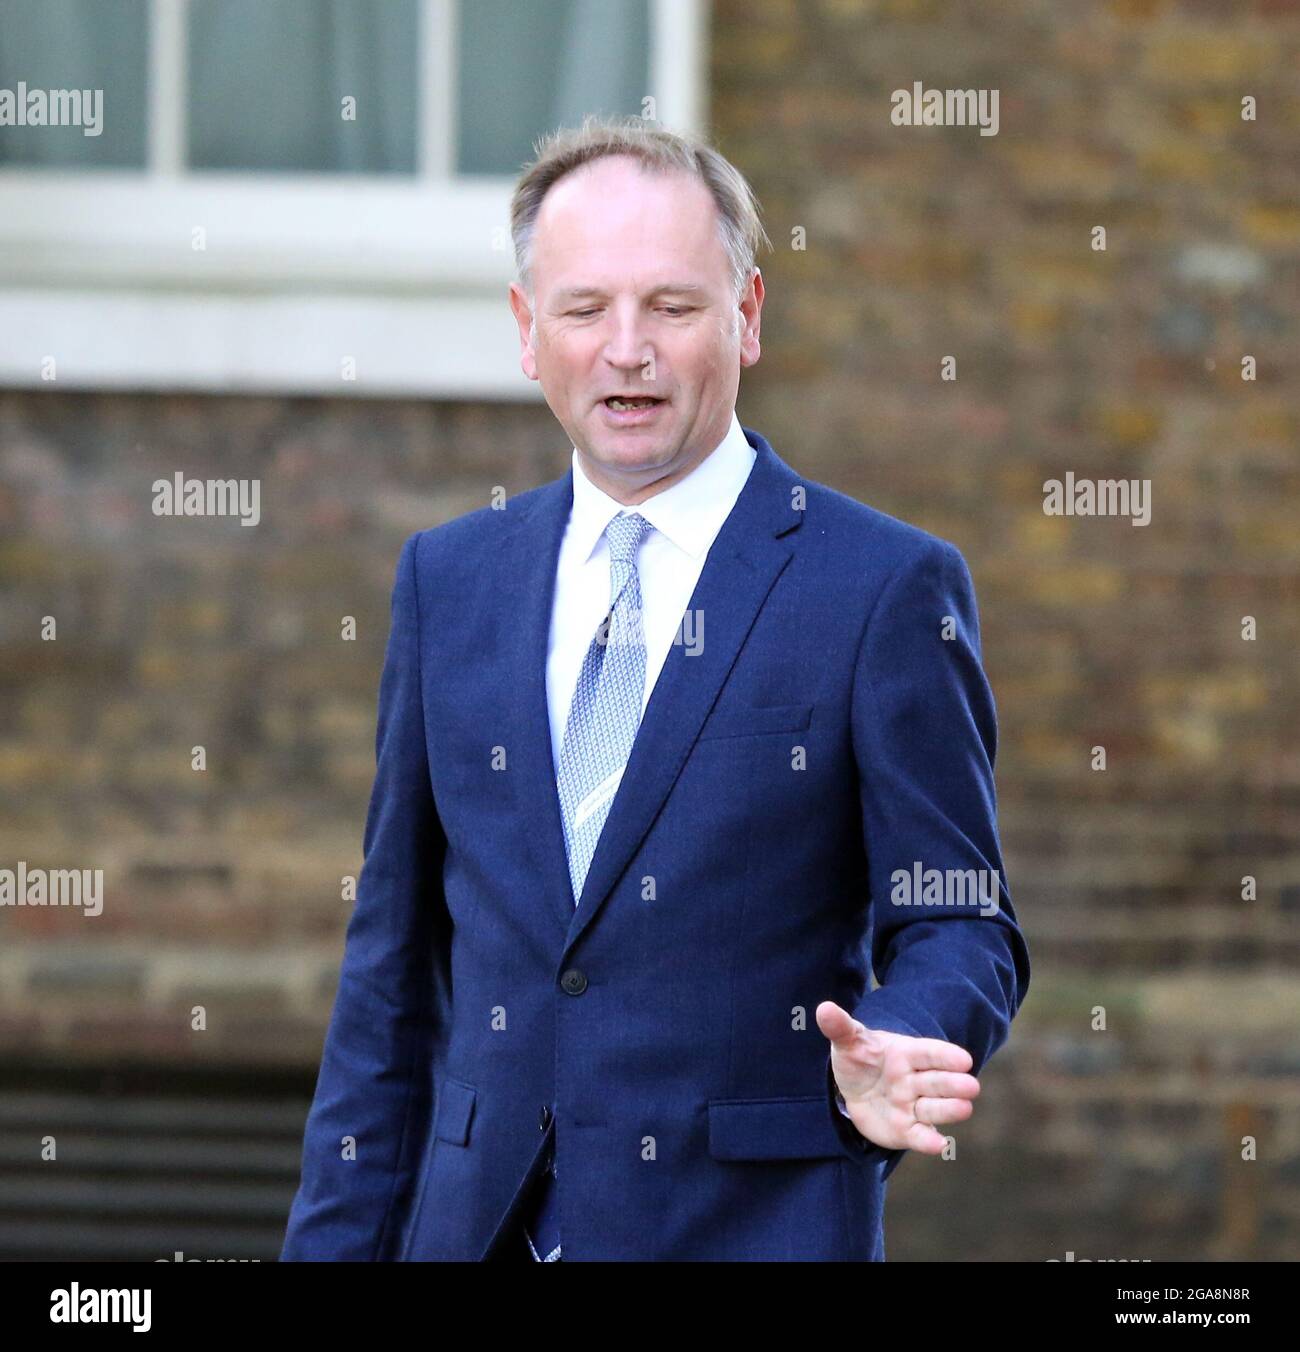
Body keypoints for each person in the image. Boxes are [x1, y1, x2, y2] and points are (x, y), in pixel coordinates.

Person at [280, 114, 1030, 1263]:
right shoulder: (449, 580)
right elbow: (390, 974)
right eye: (584, 309)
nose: (625, 348)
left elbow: (959, 916)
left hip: (751, 1227)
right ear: (530, 333)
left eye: (671, 306)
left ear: (747, 316)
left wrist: (899, 1031)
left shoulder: (881, 588)